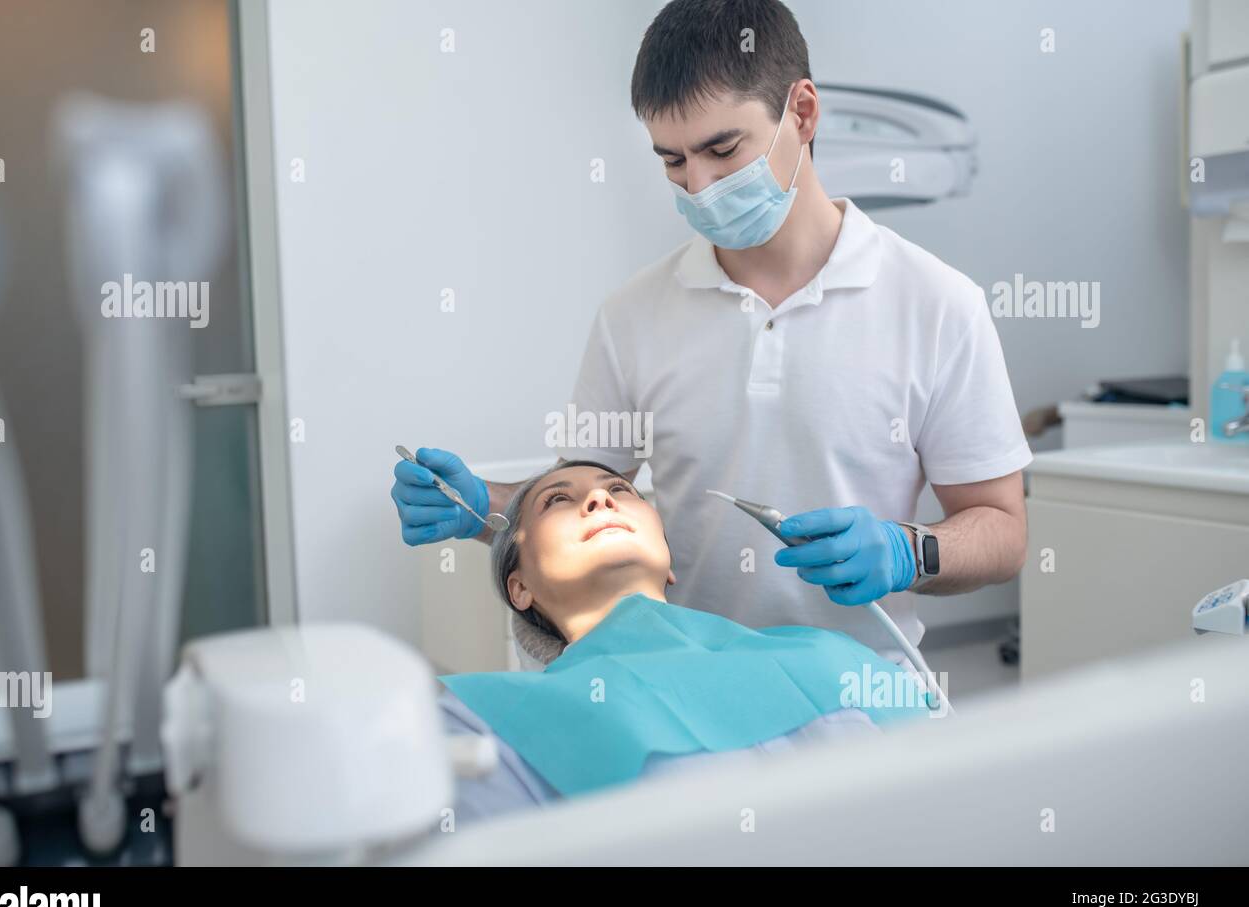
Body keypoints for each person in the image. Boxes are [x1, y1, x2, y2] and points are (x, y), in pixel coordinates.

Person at [392, 0, 1031, 663]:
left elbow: (1004, 533)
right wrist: (480, 508)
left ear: (802, 113)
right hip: (690, 685)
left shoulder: (937, 304)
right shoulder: (633, 315)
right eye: (672, 161)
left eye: (722, 150)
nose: (698, 187)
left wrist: (910, 551)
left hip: (863, 694)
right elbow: (577, 503)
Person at [437, 462, 930, 824]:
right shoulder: (480, 721)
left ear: (668, 561)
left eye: (620, 489)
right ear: (519, 588)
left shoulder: (834, 655)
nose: (601, 499)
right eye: (557, 500)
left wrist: (915, 550)